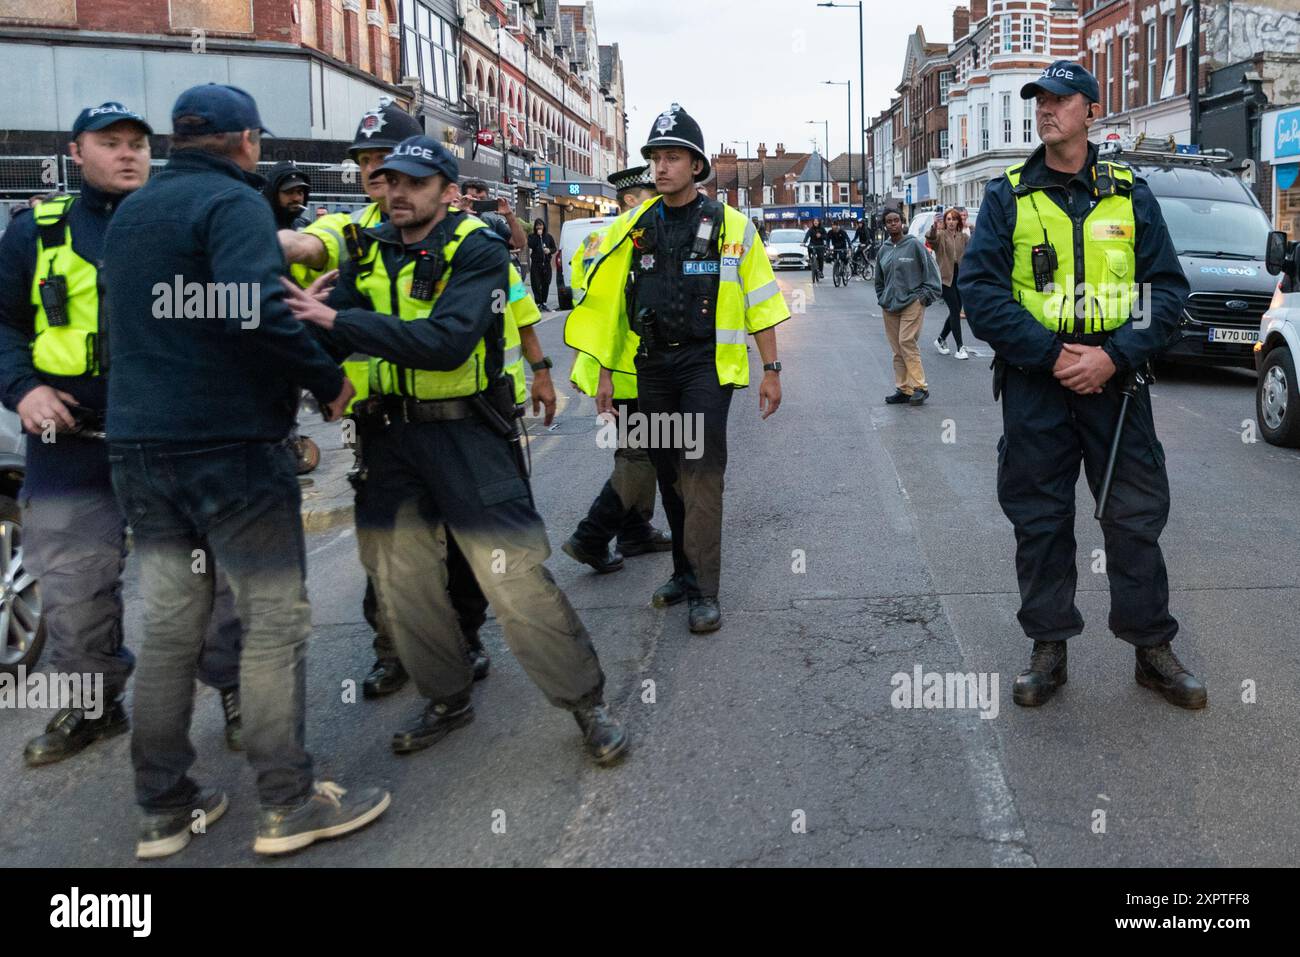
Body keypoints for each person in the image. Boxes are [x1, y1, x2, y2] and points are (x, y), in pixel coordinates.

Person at [104, 83, 389, 859]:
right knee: (270, 623)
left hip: (138, 445)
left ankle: (162, 807)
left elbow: (192, 309)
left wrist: (280, 297)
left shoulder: (133, 213)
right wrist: (327, 378)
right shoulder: (236, 206)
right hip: (227, 446)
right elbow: (249, 309)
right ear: (245, 143)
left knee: (167, 629)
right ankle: (287, 802)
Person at [282, 134, 628, 765]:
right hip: (388, 436)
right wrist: (315, 333)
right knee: (402, 582)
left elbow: (444, 342)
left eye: (414, 184)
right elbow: (333, 330)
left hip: (466, 432)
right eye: (390, 182)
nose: (398, 194)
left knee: (511, 575)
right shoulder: (371, 250)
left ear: (447, 191)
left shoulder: (479, 249)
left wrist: (337, 320)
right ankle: (447, 696)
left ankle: (587, 704)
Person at [0, 101, 246, 768]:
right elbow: (5, 328)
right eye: (110, 143)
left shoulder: (185, 223)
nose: (128, 153)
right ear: (76, 152)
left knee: (210, 577)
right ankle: (91, 705)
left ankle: (236, 694)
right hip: (72, 445)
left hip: (175, 437)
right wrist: (23, 388)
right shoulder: (34, 234)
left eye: (138, 142)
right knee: (72, 587)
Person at [959, 61, 1205, 710]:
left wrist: (1113, 356)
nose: (1046, 110)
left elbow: (1167, 291)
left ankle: (1151, 648)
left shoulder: (1130, 191)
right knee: (1040, 520)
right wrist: (1051, 354)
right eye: (1040, 100)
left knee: (1134, 518)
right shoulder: (1007, 194)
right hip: (1036, 386)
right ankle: (1048, 649)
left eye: (1061, 100)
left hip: (1118, 388)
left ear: (1090, 111)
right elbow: (979, 292)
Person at [279, 102, 493, 696]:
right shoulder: (355, 233)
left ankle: (465, 636)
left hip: (455, 413)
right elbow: (317, 245)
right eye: (367, 162)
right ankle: (390, 648)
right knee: (387, 545)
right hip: (378, 418)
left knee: (457, 539)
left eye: (384, 160)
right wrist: (282, 246)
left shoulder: (459, 238)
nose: (375, 171)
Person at [566, 103, 789, 633]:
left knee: (701, 476)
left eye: (672, 158)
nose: (661, 168)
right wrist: (602, 371)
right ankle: (682, 575)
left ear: (696, 166)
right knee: (667, 475)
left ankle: (704, 592)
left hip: (703, 367)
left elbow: (760, 301)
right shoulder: (633, 227)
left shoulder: (732, 227)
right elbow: (610, 304)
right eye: (655, 159)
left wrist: (772, 368)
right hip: (650, 368)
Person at [563, 164, 672, 573]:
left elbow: (583, 298)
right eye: (650, 192)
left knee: (633, 450)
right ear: (630, 199)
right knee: (639, 453)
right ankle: (591, 536)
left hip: (608, 358)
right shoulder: (631, 238)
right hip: (625, 361)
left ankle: (635, 530)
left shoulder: (594, 240)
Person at [875, 208, 940, 406]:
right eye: (889, 221)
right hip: (890, 305)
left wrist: (923, 296)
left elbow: (931, 272)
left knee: (906, 341)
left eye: (896, 220)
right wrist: (882, 297)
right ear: (885, 226)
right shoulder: (884, 249)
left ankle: (920, 387)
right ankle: (904, 389)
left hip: (912, 301)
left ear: (902, 222)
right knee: (897, 349)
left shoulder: (914, 245)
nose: (893, 224)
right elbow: (879, 280)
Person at [928, 208, 970, 359]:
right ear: (945, 221)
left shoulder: (963, 237)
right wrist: (934, 226)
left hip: (960, 277)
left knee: (956, 309)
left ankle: (940, 339)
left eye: (954, 219)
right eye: (949, 219)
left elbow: (973, 250)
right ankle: (960, 347)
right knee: (955, 310)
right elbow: (931, 239)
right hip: (945, 278)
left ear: (958, 221)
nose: (951, 222)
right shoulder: (940, 235)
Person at [460, 177, 528, 253]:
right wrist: (460, 211)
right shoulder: (453, 220)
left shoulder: (494, 223)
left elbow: (519, 243)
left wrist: (509, 215)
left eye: (482, 198)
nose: (478, 201)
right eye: (473, 198)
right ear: (463, 198)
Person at [261, 162, 311, 230]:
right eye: (289, 192)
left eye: (300, 192)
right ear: (273, 194)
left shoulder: (304, 226)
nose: (296, 198)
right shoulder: (259, 226)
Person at [527, 219, 557, 309]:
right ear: (535, 227)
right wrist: (538, 237)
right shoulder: (532, 236)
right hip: (536, 264)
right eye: (537, 225)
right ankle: (538, 302)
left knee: (546, 283)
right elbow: (531, 245)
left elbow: (554, 248)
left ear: (544, 226)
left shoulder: (548, 237)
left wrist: (549, 250)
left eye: (540, 225)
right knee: (536, 283)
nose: (539, 227)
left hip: (546, 264)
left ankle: (544, 302)